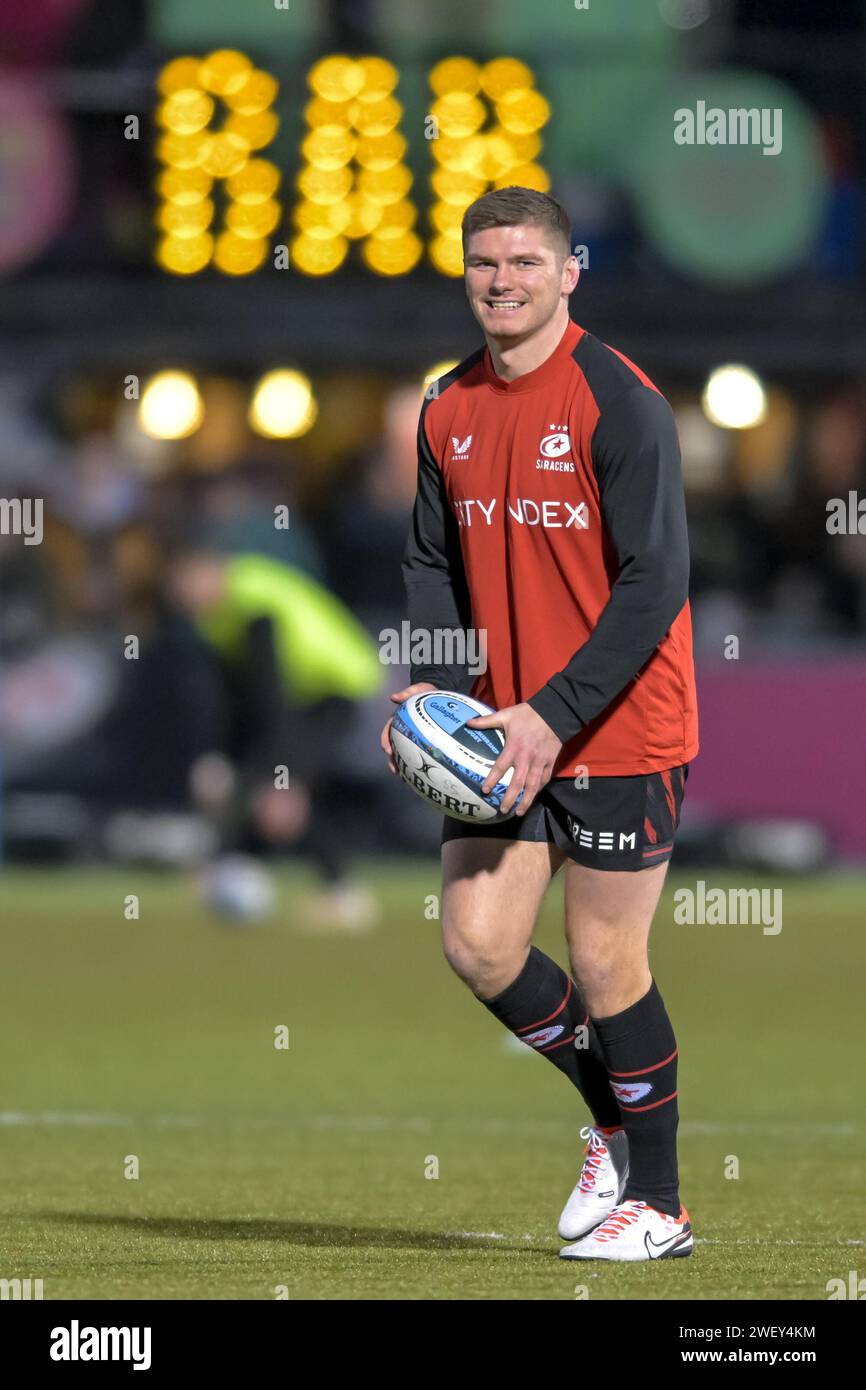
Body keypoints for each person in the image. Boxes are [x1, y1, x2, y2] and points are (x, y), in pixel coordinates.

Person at [381, 187, 699, 1260]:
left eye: (523, 262)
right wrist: (439, 689)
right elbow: (431, 562)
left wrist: (552, 714)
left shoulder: (620, 403)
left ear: (569, 273)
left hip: (614, 722)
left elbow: (655, 580)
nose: (500, 279)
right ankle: (610, 1123)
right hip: (497, 729)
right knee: (476, 945)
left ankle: (657, 1206)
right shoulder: (442, 406)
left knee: (606, 963)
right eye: (483, 262)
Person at [169, 548, 384, 929]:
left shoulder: (251, 599)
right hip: (305, 695)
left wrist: (267, 773)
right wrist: (220, 757)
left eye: (189, 581)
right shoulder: (216, 619)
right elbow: (240, 701)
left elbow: (270, 702)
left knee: (282, 795)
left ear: (211, 569)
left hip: (336, 686)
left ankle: (344, 894)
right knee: (275, 792)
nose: (182, 596)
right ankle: (237, 867)